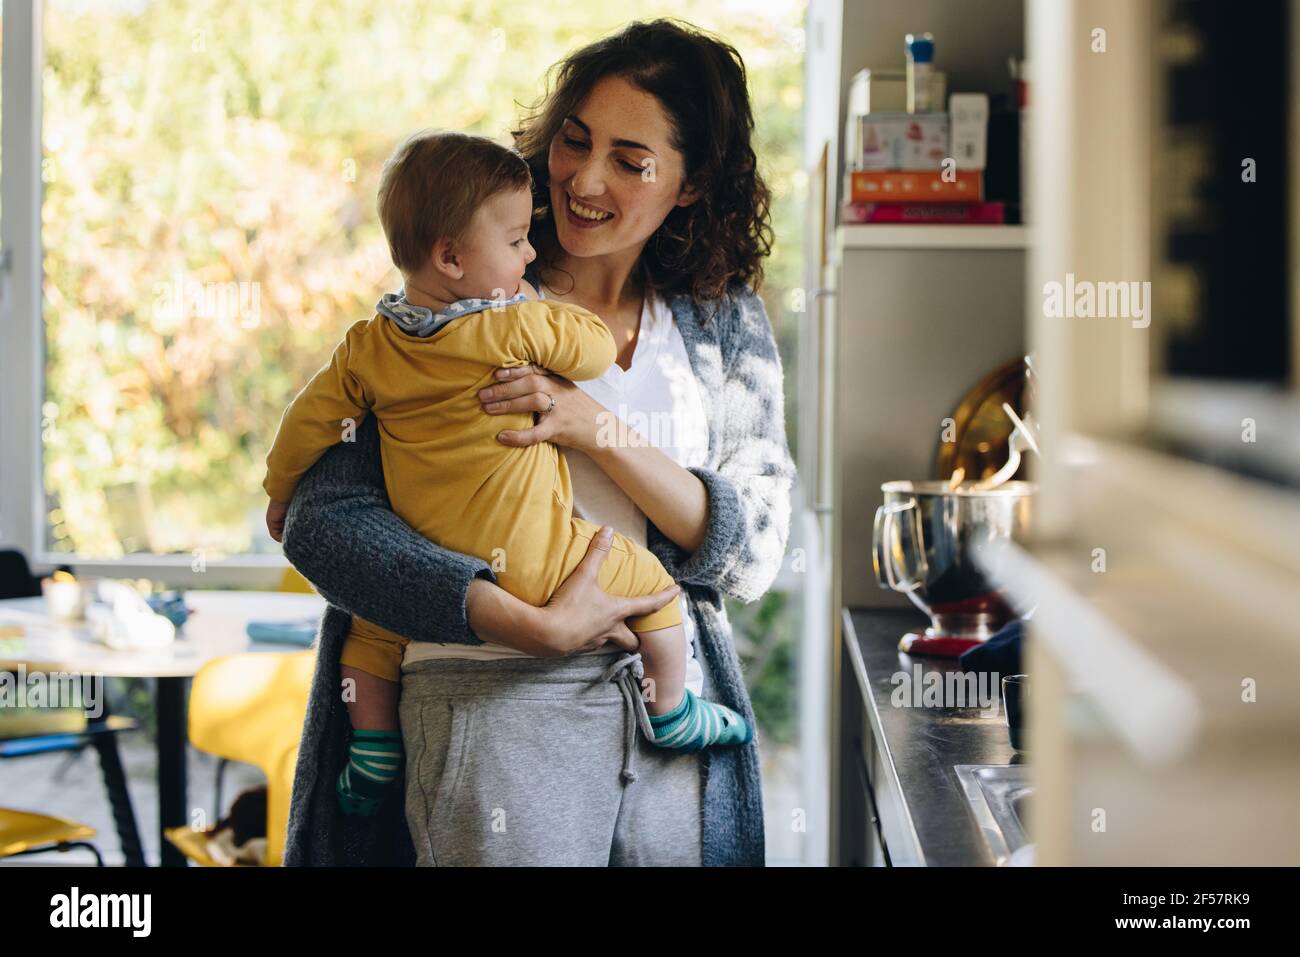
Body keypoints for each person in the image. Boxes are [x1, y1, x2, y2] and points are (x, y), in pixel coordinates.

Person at [282, 17, 794, 866]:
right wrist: (511, 618)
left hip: (666, 710)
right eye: (575, 139)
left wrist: (597, 429)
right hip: (488, 700)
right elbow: (323, 520)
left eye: (631, 162)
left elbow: (758, 547)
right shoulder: (467, 288)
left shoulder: (718, 315)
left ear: (693, 183)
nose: (583, 180)